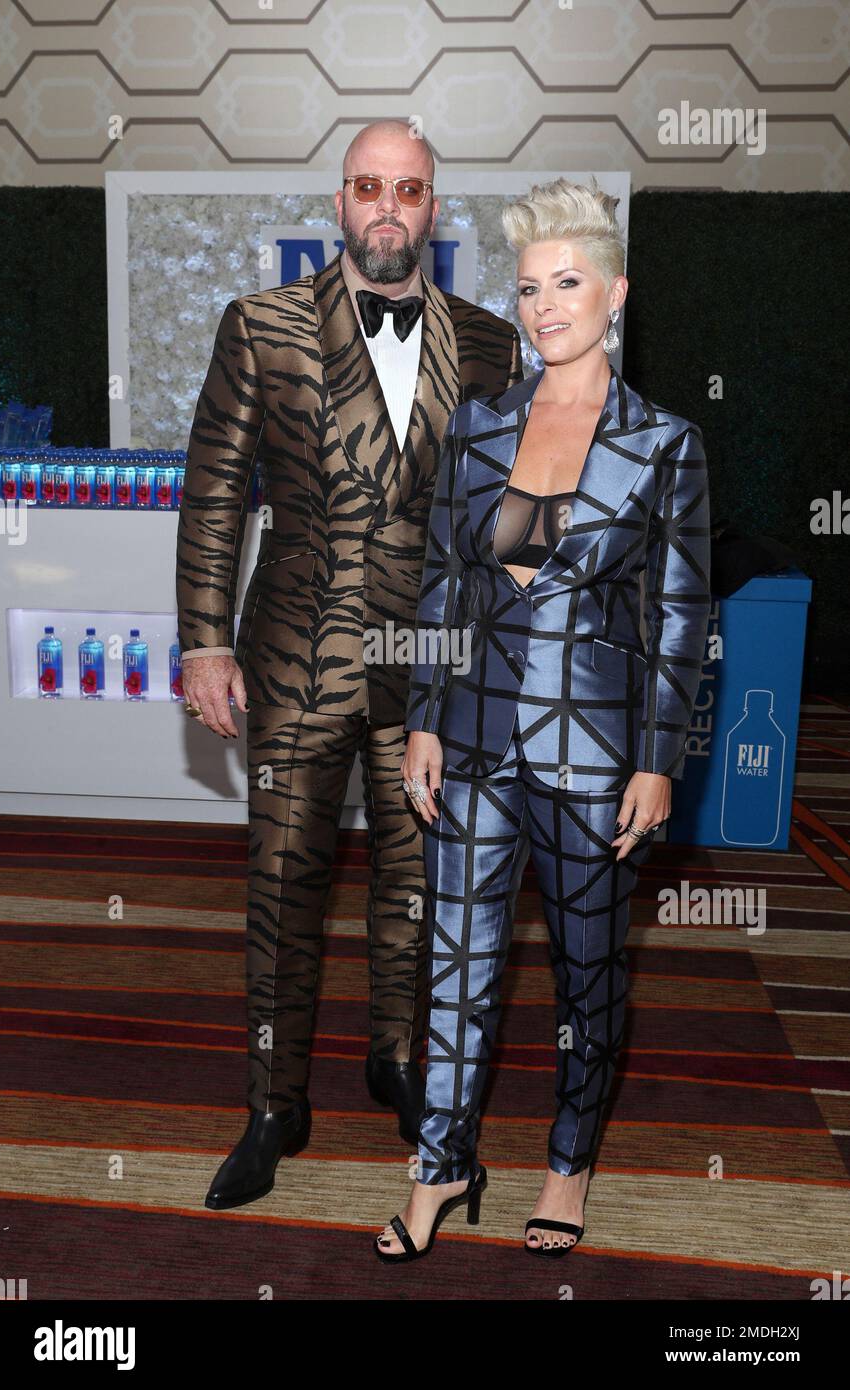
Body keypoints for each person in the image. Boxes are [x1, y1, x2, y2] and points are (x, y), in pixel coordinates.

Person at [175, 119, 522, 1211]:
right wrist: (201, 638)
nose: (387, 207)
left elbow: (502, 524)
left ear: (431, 211)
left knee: (419, 885)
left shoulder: (488, 343)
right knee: (283, 882)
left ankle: (399, 1063)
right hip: (295, 650)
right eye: (368, 187)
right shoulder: (261, 327)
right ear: (338, 203)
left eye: (408, 190)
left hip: (427, 658)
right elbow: (216, 490)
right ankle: (274, 1106)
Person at [374, 175, 710, 1262]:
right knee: (457, 963)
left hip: (594, 753)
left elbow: (674, 615)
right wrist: (423, 714)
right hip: (470, 741)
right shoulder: (477, 429)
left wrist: (658, 761)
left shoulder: (663, 445)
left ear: (613, 291)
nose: (544, 305)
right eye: (526, 287)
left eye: (566, 282)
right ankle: (438, 1165)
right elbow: (440, 583)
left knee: (586, 970)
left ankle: (567, 1163)